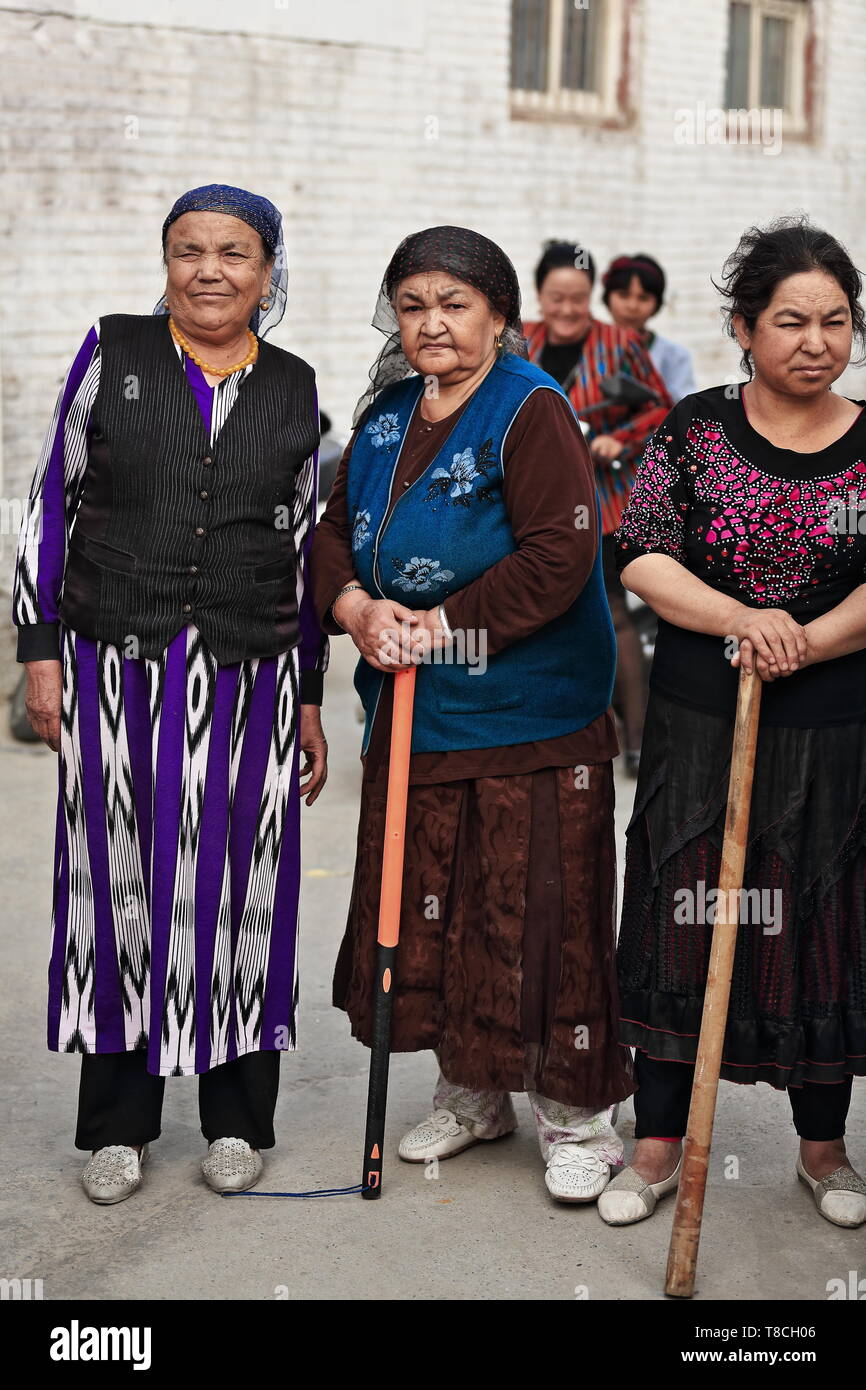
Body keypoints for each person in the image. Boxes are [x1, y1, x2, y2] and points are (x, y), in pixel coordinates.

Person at [11, 184, 329, 1203]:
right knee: (119, 889)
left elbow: (303, 553)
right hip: (115, 663)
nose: (208, 270)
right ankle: (117, 1127)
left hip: (251, 675)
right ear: (164, 263)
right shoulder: (113, 352)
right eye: (188, 250)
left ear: (267, 270)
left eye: (233, 253)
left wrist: (313, 692)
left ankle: (236, 1121)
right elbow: (48, 502)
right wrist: (39, 648)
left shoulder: (293, 384)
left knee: (244, 892)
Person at [311, 225, 633, 1205]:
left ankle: (577, 1113)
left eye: (454, 304)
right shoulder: (384, 419)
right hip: (415, 710)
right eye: (412, 306)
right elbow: (327, 539)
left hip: (527, 714)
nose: (431, 323)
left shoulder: (530, 410)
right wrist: (360, 612)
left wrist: (436, 627)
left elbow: (556, 557)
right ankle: (472, 1087)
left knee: (538, 911)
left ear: (498, 315)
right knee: (433, 906)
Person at [599, 216, 866, 1229]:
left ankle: (822, 1146)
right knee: (687, 909)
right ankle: (659, 1142)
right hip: (701, 716)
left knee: (821, 913)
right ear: (744, 329)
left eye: (832, 321)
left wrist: (803, 637)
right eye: (788, 321)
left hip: (834, 721)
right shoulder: (694, 429)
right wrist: (738, 619)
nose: (813, 340)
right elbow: (641, 552)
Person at [523, 241, 673, 773]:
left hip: (603, 497)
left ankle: (634, 739)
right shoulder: (520, 339)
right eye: (556, 298)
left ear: (593, 298)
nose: (566, 310)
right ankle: (547, 733)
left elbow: (661, 407)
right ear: (539, 295)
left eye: (578, 299)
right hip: (533, 500)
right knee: (537, 611)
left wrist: (621, 441)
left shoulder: (619, 343)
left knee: (612, 610)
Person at [601, 253, 697, 403]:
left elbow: (684, 407)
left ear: (656, 305)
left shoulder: (675, 357)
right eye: (623, 295)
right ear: (607, 298)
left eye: (643, 298)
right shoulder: (588, 347)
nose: (632, 306)